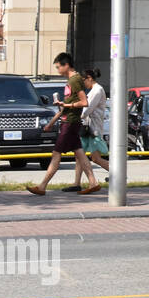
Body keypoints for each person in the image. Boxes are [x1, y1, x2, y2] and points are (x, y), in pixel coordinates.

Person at [26, 53, 100, 196]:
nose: (58, 70)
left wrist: (67, 104)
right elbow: (65, 107)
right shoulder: (73, 80)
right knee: (80, 153)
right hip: (71, 121)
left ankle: (42, 186)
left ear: (66, 65)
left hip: (70, 123)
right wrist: (52, 122)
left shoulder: (74, 80)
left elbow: (84, 102)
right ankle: (93, 183)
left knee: (56, 154)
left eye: (58, 67)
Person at [64, 67, 110, 190]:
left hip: (93, 129)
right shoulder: (93, 90)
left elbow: (87, 109)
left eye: (83, 81)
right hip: (87, 128)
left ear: (89, 78)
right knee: (79, 155)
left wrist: (74, 114)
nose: (82, 84)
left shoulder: (97, 90)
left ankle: (118, 175)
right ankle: (76, 184)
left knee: (95, 158)